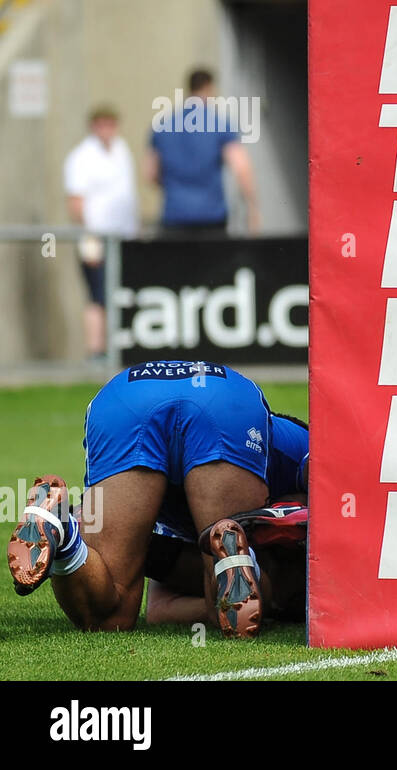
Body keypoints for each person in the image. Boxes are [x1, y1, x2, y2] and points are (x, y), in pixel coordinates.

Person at [7, 360, 305, 637]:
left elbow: (160, 609)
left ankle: (64, 532)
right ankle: (241, 563)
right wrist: (270, 601)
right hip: (227, 406)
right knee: (234, 595)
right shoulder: (298, 445)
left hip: (127, 396)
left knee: (111, 618)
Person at [146, 68, 261, 236]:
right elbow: (241, 168)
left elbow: (151, 173)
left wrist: (177, 187)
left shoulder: (163, 125)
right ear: (209, 87)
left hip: (174, 217)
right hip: (211, 217)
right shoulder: (219, 124)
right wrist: (253, 208)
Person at [63, 105, 138, 358]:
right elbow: (75, 201)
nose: (108, 130)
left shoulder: (121, 150)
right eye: (102, 124)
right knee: (97, 294)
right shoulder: (82, 157)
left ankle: (119, 348)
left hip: (123, 237)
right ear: (93, 126)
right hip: (97, 237)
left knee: (120, 293)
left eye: (111, 124)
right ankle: (96, 350)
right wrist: (88, 238)